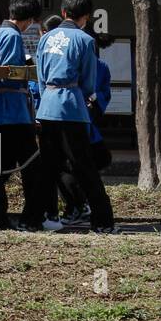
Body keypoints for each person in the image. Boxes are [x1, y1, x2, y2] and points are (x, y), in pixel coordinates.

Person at [32, 0, 114, 233]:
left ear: (64, 12)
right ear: (86, 17)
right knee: (84, 167)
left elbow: (40, 77)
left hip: (47, 106)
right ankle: (102, 222)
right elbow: (89, 81)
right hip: (71, 107)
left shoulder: (45, 39)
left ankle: (32, 219)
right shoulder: (85, 40)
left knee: (47, 168)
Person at [0, 0, 44, 231]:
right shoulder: (12, 35)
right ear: (28, 19)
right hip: (13, 111)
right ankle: (31, 217)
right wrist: (29, 71)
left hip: (0, 110)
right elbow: (8, 72)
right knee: (31, 167)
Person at [60, 33, 114, 225]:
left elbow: (103, 93)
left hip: (86, 123)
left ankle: (79, 206)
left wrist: (93, 101)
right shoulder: (69, 63)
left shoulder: (101, 67)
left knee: (81, 165)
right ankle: (77, 205)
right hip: (72, 119)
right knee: (69, 167)